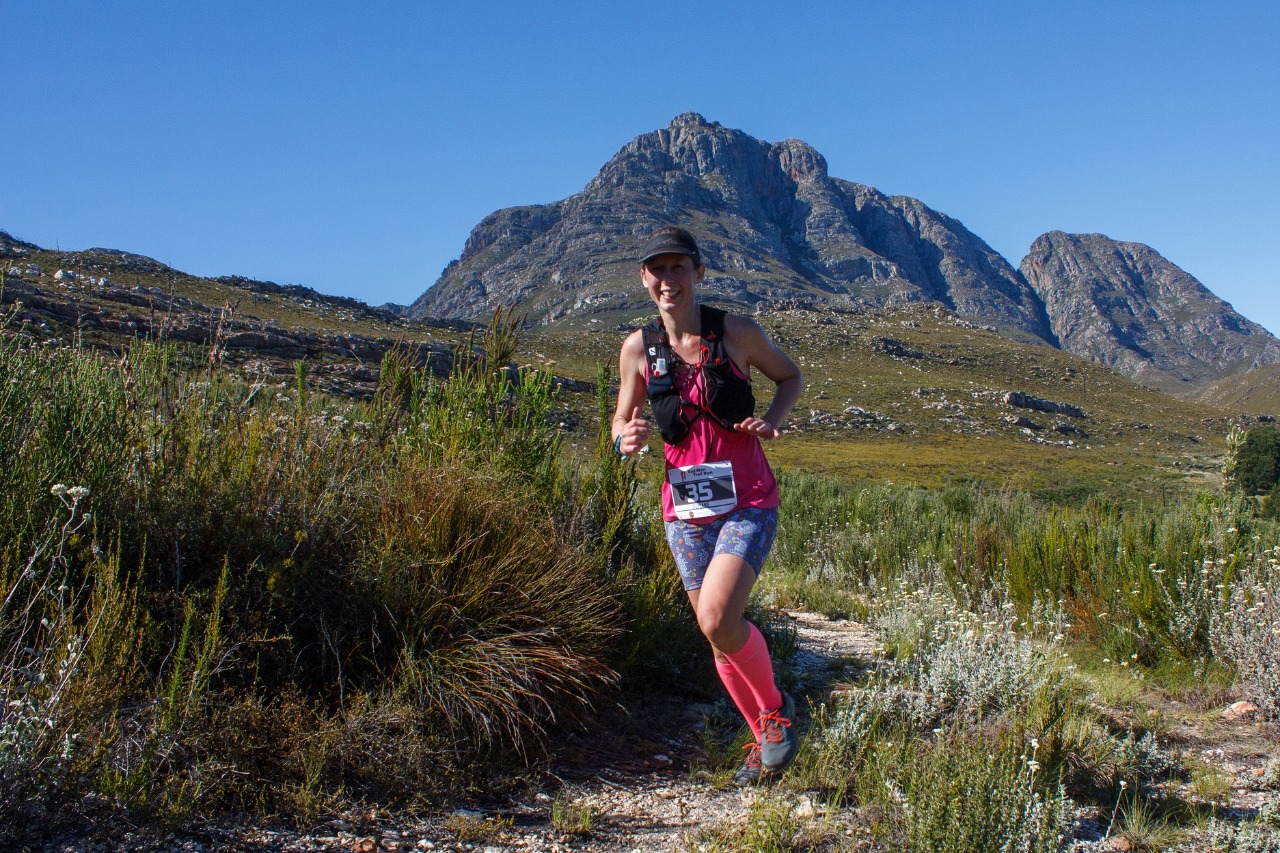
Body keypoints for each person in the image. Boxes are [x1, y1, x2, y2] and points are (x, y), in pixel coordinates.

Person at [611, 226, 804, 785]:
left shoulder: (737, 333)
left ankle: (776, 710)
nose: (668, 279)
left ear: (699, 273)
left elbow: (789, 377)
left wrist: (772, 419)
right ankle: (763, 732)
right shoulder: (638, 349)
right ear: (644, 279)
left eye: (678, 267)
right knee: (712, 627)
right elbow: (620, 420)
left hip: (748, 500)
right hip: (685, 510)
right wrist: (625, 438)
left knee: (720, 617)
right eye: (657, 269)